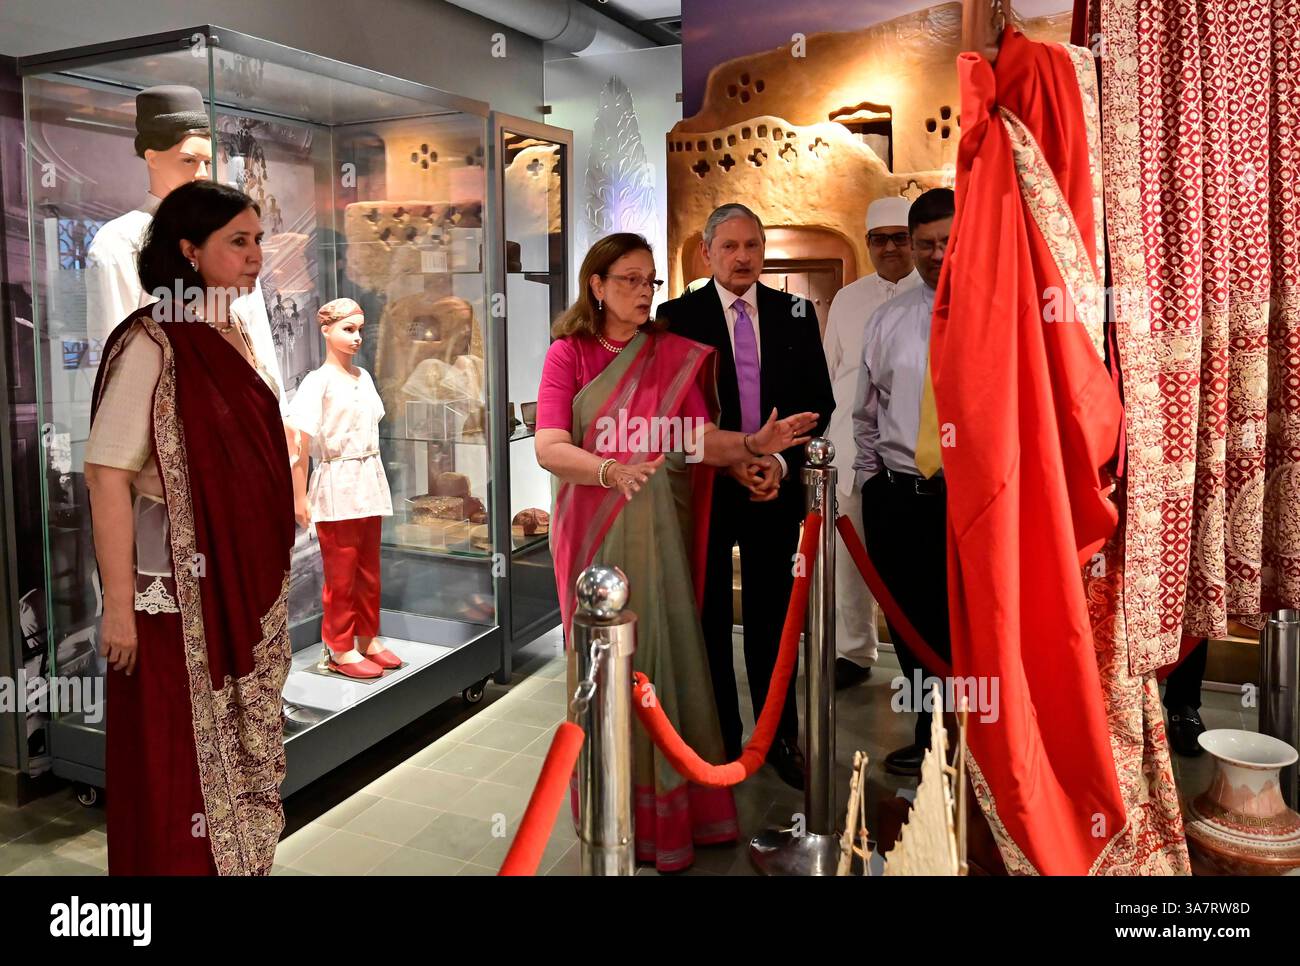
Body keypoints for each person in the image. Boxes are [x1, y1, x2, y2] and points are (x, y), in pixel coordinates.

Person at [536, 232, 818, 872]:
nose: (643, 293)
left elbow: (697, 442)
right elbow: (550, 447)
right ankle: (610, 811)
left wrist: (753, 442)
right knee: (604, 670)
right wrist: (610, 471)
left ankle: (675, 814)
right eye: (630, 281)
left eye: (651, 282)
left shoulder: (669, 353)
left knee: (666, 657)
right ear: (598, 286)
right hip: (595, 537)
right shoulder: (569, 356)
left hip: (660, 534)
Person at [85, 180, 294, 875]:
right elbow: (107, 473)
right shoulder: (153, 342)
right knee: (176, 771)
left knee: (231, 765)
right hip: (172, 603)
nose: (255, 255)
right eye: (238, 241)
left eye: (259, 239)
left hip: (239, 592)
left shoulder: (230, 334)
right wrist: (118, 607)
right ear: (188, 250)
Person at [658, 204, 835, 790]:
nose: (742, 257)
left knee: (774, 619)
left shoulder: (796, 311)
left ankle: (777, 735)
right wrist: (733, 459)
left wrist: (777, 463)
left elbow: (821, 404)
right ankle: (719, 738)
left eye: (752, 246)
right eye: (729, 246)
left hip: (775, 491)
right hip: (709, 489)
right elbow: (671, 414)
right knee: (709, 617)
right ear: (707, 252)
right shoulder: (676, 316)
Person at [84, 85, 284, 400]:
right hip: (173, 415)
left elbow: (257, 331)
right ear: (152, 158)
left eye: (207, 162)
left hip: (243, 405)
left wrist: (278, 412)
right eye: (189, 161)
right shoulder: (119, 241)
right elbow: (115, 353)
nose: (202, 174)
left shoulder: (231, 228)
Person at [852, 188, 954, 777]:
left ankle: (977, 740)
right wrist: (872, 486)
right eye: (924, 245)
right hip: (901, 498)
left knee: (970, 627)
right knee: (910, 627)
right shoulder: (888, 319)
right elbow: (866, 414)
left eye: (947, 241)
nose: (936, 254)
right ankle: (927, 735)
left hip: (970, 506)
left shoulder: (1002, 313)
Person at [823, 196, 921, 690]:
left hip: (910, 459)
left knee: (910, 571)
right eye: (878, 239)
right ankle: (853, 652)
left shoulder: (934, 296)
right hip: (847, 447)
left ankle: (921, 669)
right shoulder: (848, 299)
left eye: (899, 237)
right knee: (847, 559)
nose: (888, 248)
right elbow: (832, 373)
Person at [288, 298, 396, 680]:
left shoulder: (363, 378)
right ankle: (339, 646)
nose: (356, 338)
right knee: (342, 572)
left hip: (368, 478)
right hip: (336, 483)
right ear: (327, 331)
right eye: (347, 329)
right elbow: (298, 442)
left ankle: (367, 637)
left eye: (359, 330)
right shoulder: (318, 383)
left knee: (369, 568)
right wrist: (298, 496)